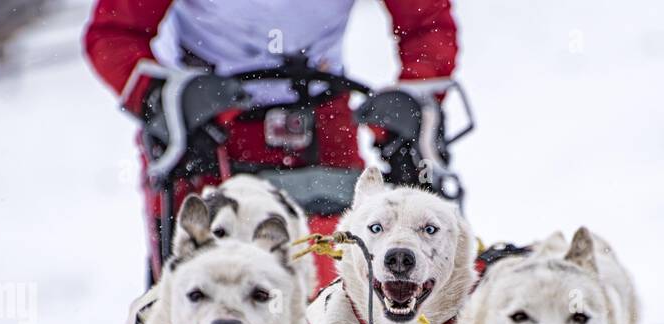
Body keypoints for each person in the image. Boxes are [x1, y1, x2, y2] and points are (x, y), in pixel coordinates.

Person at [83, 0, 459, 285]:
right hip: (208, 127)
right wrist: (161, 99)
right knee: (201, 274)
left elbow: (427, 23)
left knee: (352, 268)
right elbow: (113, 33)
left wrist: (410, 100)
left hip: (324, 118)